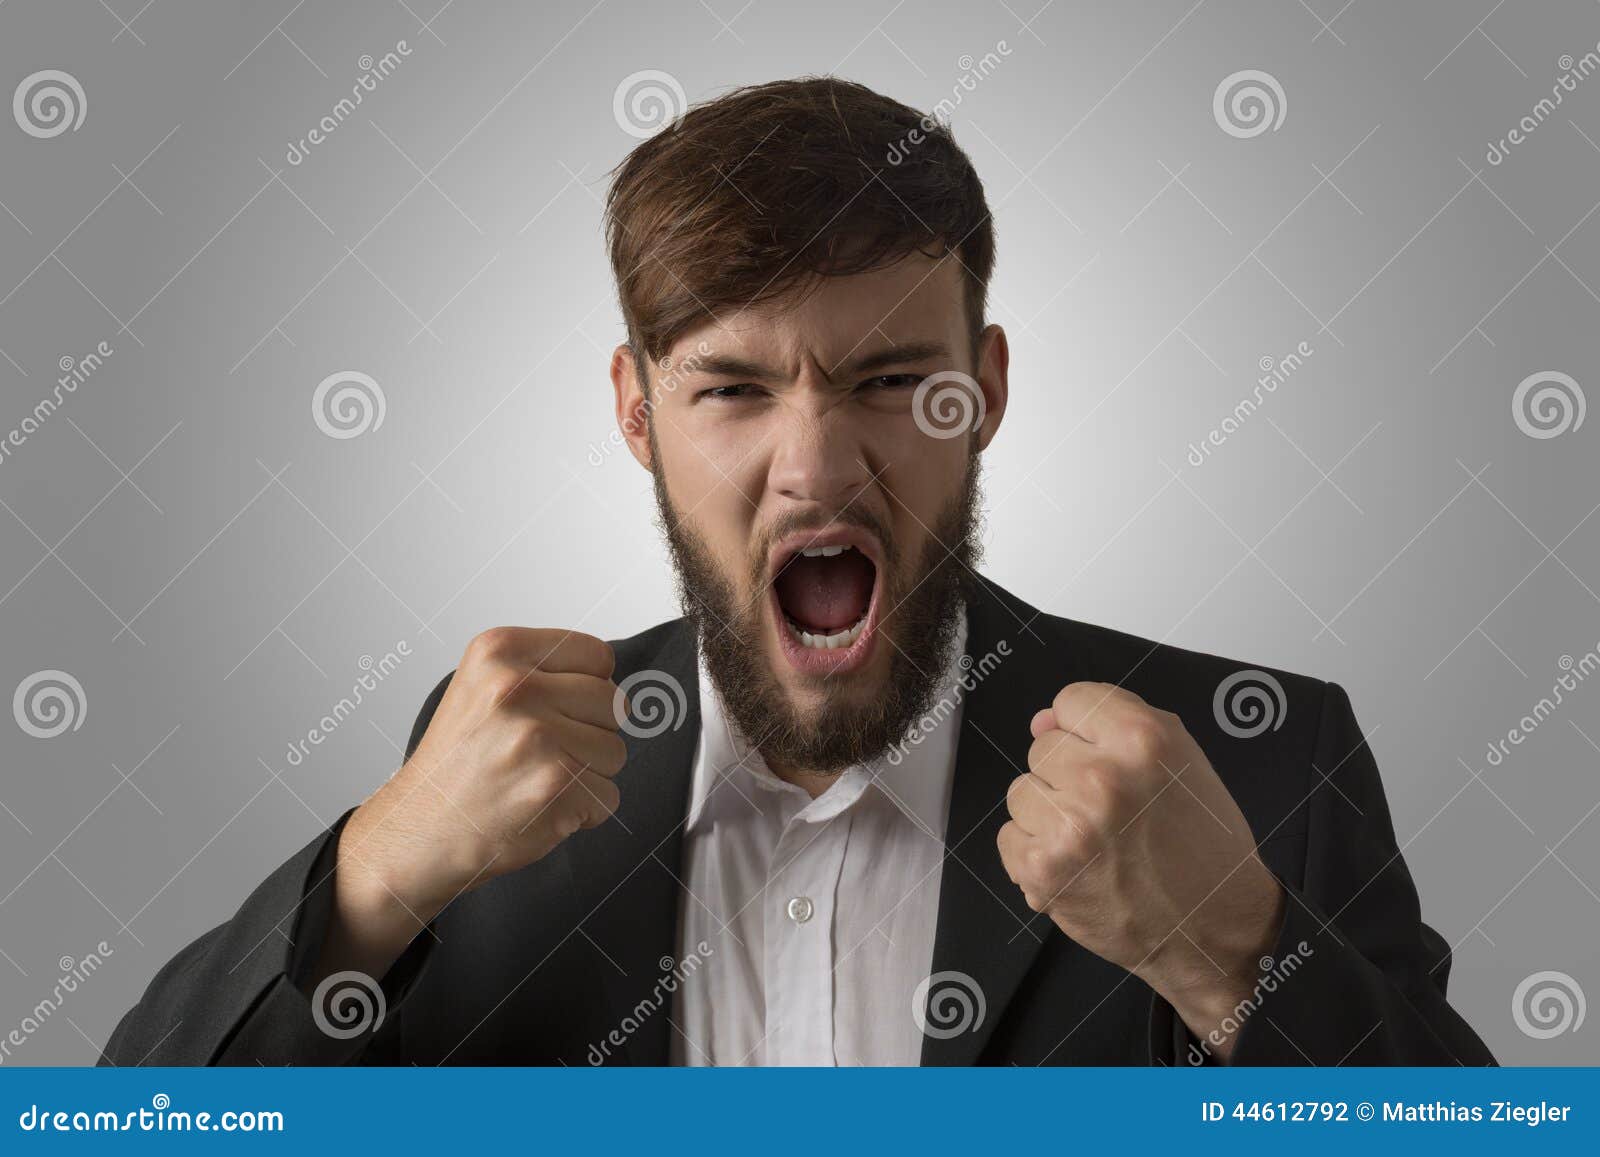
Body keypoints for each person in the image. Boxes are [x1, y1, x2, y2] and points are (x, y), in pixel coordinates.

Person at [103, 76, 1494, 1067]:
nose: (819, 468)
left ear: (985, 389)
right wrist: (370, 878)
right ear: (635, 415)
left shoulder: (1257, 758)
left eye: (892, 380)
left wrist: (1236, 955)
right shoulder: (477, 805)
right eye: (731, 390)